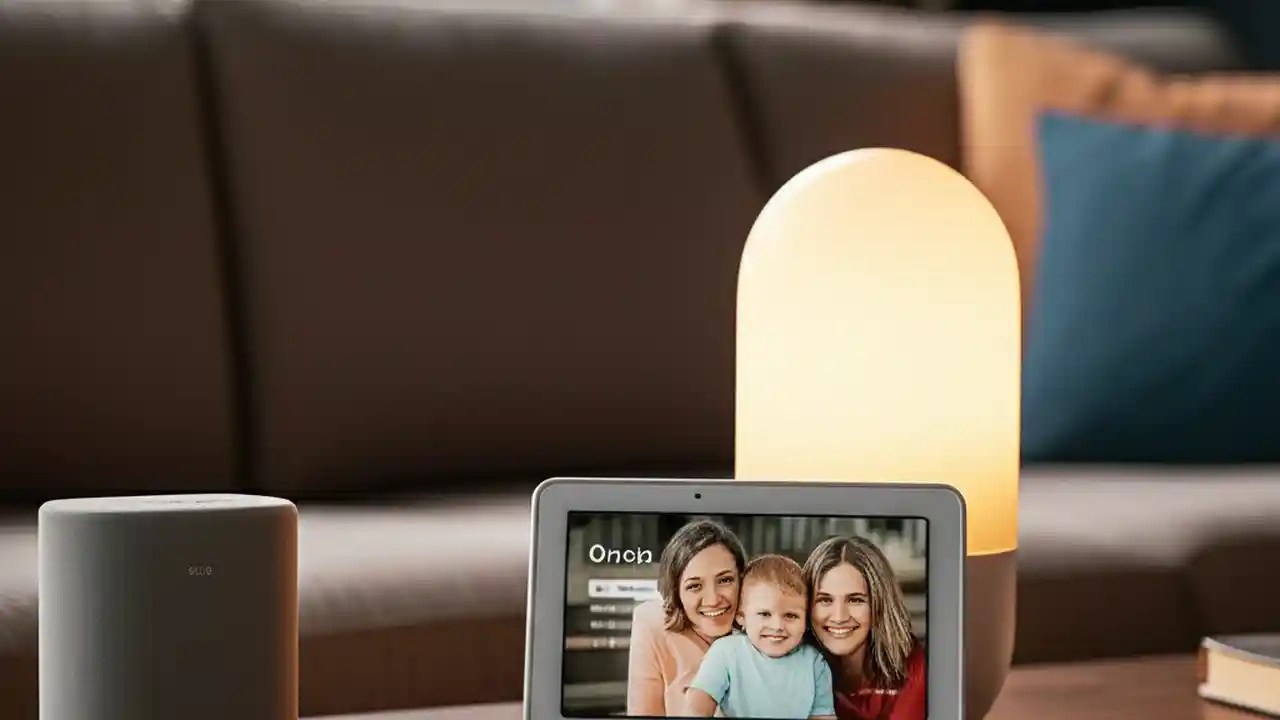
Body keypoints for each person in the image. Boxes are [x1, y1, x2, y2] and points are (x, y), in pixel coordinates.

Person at [683, 554, 835, 719]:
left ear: (806, 621)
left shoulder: (815, 664)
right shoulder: (725, 653)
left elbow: (823, 716)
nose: (777, 626)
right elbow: (697, 705)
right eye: (764, 614)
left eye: (791, 616)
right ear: (742, 616)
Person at [627, 519, 748, 716]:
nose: (713, 599)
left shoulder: (769, 627)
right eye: (694, 586)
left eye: (725, 580)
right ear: (676, 593)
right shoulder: (652, 624)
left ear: (743, 579)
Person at [803, 537, 926, 720]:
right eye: (825, 600)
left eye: (855, 600)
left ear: (879, 604)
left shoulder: (912, 666)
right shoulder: (791, 665)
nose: (839, 617)